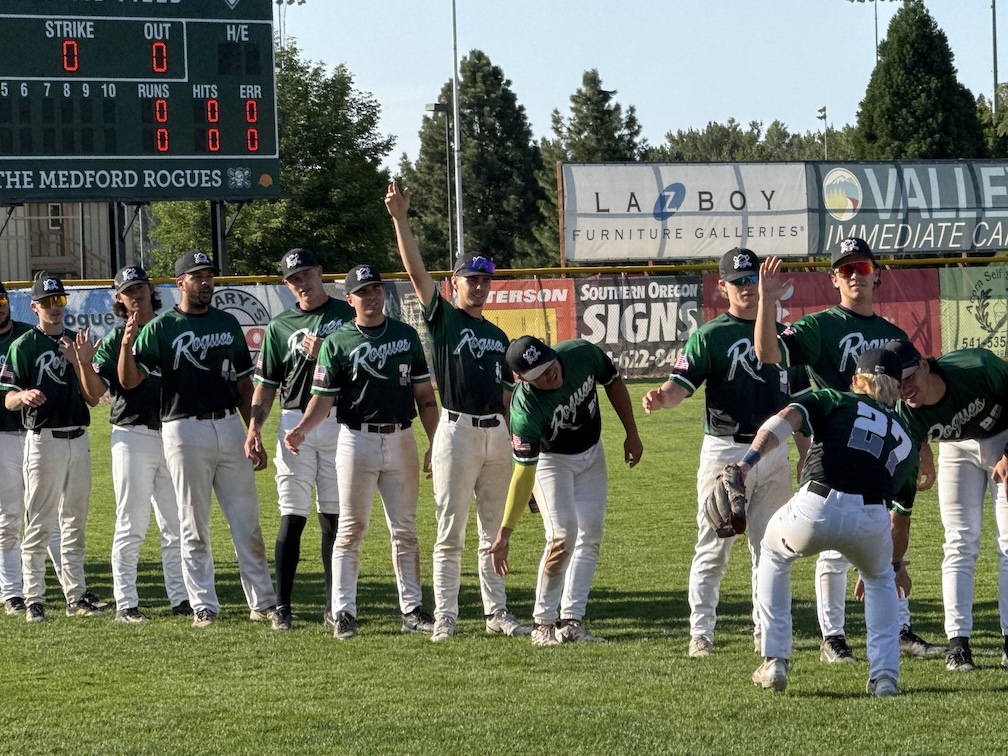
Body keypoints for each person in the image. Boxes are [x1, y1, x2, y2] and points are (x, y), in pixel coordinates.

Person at [754, 237, 943, 662]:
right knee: (835, 547)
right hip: (838, 446)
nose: (856, 275)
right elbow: (768, 353)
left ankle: (900, 628)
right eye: (846, 269)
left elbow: (914, 396)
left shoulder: (893, 334)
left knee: (893, 536)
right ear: (833, 278)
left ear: (878, 275)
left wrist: (923, 448)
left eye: (863, 267)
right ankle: (833, 636)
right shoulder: (821, 326)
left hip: (886, 450)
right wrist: (766, 302)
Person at [642, 248, 808, 658]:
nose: (747, 287)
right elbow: (680, 384)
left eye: (752, 279)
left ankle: (763, 630)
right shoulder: (710, 336)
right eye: (739, 281)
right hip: (725, 452)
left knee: (770, 546)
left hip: (774, 449)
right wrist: (661, 398)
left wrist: (807, 452)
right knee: (714, 544)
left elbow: (802, 403)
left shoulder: (786, 338)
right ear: (723, 287)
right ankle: (701, 632)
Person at [385, 182, 529, 643]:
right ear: (455, 284)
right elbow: (415, 273)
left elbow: (509, 399)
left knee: (494, 529)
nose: (481, 286)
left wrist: (519, 443)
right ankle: (446, 616)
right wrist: (400, 221)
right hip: (456, 430)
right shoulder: (443, 318)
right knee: (450, 532)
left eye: (486, 279)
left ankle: (496, 612)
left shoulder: (498, 335)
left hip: (496, 435)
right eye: (472, 279)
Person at [119, 250, 278, 629]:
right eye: (198, 276)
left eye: (209, 275)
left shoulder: (226, 322)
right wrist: (126, 346)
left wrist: (253, 431)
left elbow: (244, 384)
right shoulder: (162, 327)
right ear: (180, 284)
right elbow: (129, 381)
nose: (206, 281)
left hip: (228, 425)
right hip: (183, 426)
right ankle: (203, 604)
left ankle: (264, 602)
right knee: (193, 523)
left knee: (247, 522)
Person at [746, 348, 915, 697]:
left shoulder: (834, 397)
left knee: (773, 552)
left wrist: (747, 462)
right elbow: (898, 512)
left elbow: (787, 417)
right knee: (881, 579)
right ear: (897, 388)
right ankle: (884, 677)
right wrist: (894, 562)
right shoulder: (907, 436)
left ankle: (775, 658)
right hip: (872, 516)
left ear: (856, 380)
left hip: (817, 504)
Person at [284, 264, 439, 641]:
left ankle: (412, 608)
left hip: (402, 437)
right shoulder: (337, 341)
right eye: (363, 291)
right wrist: (302, 429)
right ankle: (343, 611)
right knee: (350, 530)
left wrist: (437, 441)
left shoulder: (405, 335)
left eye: (376, 289)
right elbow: (323, 400)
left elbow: (424, 397)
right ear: (349, 298)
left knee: (405, 531)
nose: (371, 296)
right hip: (355, 439)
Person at [489, 335, 643, 646]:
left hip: (591, 451)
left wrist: (631, 432)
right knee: (561, 535)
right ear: (521, 379)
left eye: (548, 362)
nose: (550, 372)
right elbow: (523, 474)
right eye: (539, 373)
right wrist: (505, 533)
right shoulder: (525, 409)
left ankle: (572, 620)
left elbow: (612, 381)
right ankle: (542, 624)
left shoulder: (580, 354)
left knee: (590, 534)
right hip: (551, 461)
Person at [245, 248, 353, 631]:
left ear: (320, 272)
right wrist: (254, 427)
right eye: (293, 279)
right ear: (286, 285)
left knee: (334, 518)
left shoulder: (347, 315)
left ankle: (333, 605)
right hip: (294, 421)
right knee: (292, 515)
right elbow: (265, 385)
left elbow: (364, 366)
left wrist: (329, 353)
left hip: (340, 418)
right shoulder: (280, 325)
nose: (301, 283)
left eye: (306, 274)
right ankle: (283, 606)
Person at [72, 265, 189, 623]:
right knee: (131, 523)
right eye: (128, 291)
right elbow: (94, 395)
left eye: (140, 288)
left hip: (171, 432)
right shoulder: (112, 340)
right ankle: (126, 603)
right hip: (131, 434)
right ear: (119, 300)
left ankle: (181, 598)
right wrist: (84, 364)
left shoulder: (172, 327)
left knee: (177, 523)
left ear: (152, 290)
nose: (136, 295)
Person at [887, 339, 1008, 671]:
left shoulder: (977, 366)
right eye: (897, 384)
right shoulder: (906, 412)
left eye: (910, 377)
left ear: (926, 365)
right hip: (957, 449)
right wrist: (892, 562)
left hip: (1003, 438)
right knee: (958, 542)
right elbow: (902, 506)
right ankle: (959, 644)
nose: (905, 388)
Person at [0, 272, 104, 622]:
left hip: (79, 437)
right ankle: (33, 598)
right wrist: (22, 395)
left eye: (58, 300)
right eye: (46, 301)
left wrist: (82, 363)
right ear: (34, 306)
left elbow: (94, 397)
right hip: (43, 440)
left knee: (74, 522)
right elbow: (7, 398)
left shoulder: (77, 341)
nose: (54, 307)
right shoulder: (24, 345)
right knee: (41, 522)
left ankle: (76, 597)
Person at [0, 279, 65, 616]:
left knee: (46, 516)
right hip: (2, 436)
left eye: (2, 300)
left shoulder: (28, 335)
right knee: (8, 518)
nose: (0, 307)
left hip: (37, 433)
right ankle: (12, 592)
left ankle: (70, 589)